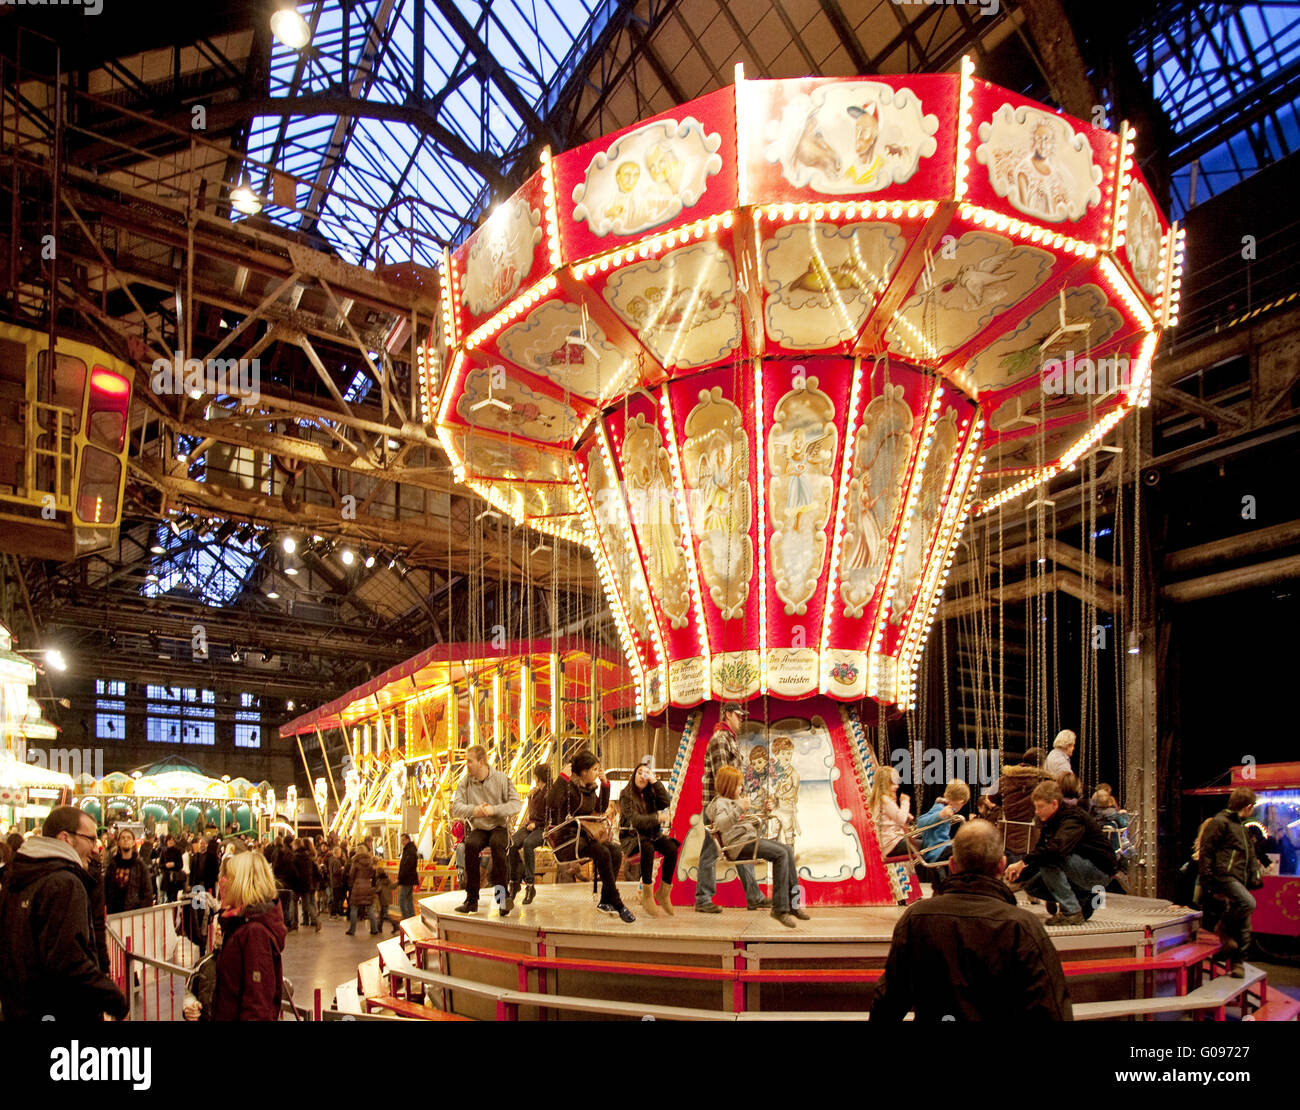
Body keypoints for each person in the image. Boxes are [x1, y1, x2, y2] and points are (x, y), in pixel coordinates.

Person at [870, 820, 1072, 1021]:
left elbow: (889, 1002)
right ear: (1002, 865)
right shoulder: (1023, 927)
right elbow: (1052, 1009)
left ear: (952, 865)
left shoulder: (916, 920)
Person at [0, 806, 130, 1021]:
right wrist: (116, 1000)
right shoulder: (64, 883)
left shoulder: (15, 878)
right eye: (90, 838)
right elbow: (69, 960)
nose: (96, 847)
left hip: (19, 1008)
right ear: (66, 838)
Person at [706, 766, 807, 928]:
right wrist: (740, 807)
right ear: (729, 785)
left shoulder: (731, 802)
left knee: (787, 849)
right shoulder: (721, 803)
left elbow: (744, 821)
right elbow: (722, 824)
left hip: (747, 840)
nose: (742, 788)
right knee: (781, 854)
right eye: (739, 785)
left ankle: (794, 904)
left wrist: (765, 812)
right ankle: (780, 909)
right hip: (739, 845)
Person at [1005, 780, 1116, 926]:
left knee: (1048, 860)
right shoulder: (1051, 820)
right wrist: (1020, 877)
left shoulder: (1073, 818)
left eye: (1040, 807)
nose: (1037, 811)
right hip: (1080, 867)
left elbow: (1055, 850)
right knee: (1032, 885)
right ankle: (1081, 897)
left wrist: (1022, 862)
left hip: (1099, 870)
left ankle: (1072, 911)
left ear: (1054, 804)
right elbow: (1040, 850)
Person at [696, 702, 767, 913]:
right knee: (711, 851)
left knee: (741, 845)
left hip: (726, 805)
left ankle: (754, 896)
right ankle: (702, 898)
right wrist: (735, 806)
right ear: (727, 714)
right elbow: (723, 778)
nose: (741, 719)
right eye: (738, 715)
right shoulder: (720, 740)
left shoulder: (729, 739)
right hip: (718, 807)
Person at [550, 751, 635, 923]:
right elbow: (551, 802)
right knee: (602, 852)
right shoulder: (569, 789)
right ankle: (617, 902)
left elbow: (601, 808)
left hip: (586, 837)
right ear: (583, 772)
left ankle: (605, 900)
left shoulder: (589, 790)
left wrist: (605, 784)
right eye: (595, 769)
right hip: (569, 840)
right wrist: (561, 778)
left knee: (615, 851)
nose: (598, 772)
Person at [203, 851, 286, 1020]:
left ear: (243, 882)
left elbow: (257, 1003)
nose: (224, 883)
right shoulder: (241, 925)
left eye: (230, 877)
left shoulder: (254, 933)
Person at [451, 744, 522, 916]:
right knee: (470, 846)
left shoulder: (501, 779)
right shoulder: (465, 783)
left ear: (481, 762)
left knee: (498, 847)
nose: (466, 765)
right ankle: (472, 899)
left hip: (498, 825)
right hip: (479, 827)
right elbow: (456, 807)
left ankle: (502, 899)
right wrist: (474, 810)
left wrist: (494, 810)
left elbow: (516, 804)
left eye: (469, 761)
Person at [1198, 787, 1261, 978]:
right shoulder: (1220, 822)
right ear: (1248, 807)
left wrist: (1253, 877)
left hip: (1236, 878)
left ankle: (1237, 963)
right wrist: (1208, 882)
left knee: (1245, 926)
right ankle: (1223, 927)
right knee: (1248, 903)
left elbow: (1248, 857)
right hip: (1224, 876)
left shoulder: (1240, 827)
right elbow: (1206, 853)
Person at [619, 759, 678, 917]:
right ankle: (646, 894)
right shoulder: (626, 795)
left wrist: (655, 781)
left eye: (646, 774)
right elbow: (635, 820)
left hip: (652, 834)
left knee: (672, 849)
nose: (642, 777)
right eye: (639, 773)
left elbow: (665, 802)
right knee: (647, 848)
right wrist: (656, 818)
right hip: (633, 836)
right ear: (634, 774)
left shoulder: (651, 793)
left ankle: (664, 893)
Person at [508, 766, 552, 907]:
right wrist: (529, 799)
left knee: (528, 844)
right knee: (511, 844)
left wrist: (537, 823)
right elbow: (534, 811)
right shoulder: (537, 792)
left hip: (541, 828)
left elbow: (549, 815)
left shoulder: (549, 793)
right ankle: (515, 881)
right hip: (531, 825)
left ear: (538, 777)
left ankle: (530, 884)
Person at [999, 749, 1051, 860]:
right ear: (1041, 764)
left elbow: (992, 797)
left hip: (1007, 833)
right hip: (1031, 835)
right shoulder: (1042, 781)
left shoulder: (1006, 777)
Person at [915, 780, 970, 864]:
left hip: (941, 848)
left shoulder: (944, 807)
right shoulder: (940, 808)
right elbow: (920, 822)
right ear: (960, 802)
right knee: (966, 854)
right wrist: (940, 815)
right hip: (936, 851)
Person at [104, 828, 154, 914]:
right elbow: (105, 889)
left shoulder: (140, 866)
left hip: (133, 914)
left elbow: (148, 894)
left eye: (128, 838)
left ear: (133, 842)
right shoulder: (112, 865)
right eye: (122, 838)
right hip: (114, 913)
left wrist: (139, 909)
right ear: (118, 842)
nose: (125, 840)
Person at [869, 765, 910, 857]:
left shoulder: (881, 800)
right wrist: (905, 802)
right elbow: (901, 819)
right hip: (892, 844)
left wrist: (905, 814)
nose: (897, 786)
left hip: (891, 842)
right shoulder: (885, 800)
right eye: (893, 783)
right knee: (929, 845)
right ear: (886, 784)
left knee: (927, 843)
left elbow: (896, 821)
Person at [346, 844, 380, 935]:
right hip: (367, 885)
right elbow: (373, 875)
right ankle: (374, 928)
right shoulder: (370, 862)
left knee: (354, 908)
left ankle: (352, 930)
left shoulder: (355, 862)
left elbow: (351, 874)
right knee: (370, 908)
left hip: (357, 886)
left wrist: (351, 884)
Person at [292, 839, 320, 933]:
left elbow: (294, 872)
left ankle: (294, 923)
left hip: (297, 884)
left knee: (294, 903)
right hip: (307, 883)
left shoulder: (295, 857)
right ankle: (316, 921)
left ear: (296, 846)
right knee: (307, 904)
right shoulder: (307, 856)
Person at [397, 833, 419, 922]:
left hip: (407, 879)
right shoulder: (411, 850)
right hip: (410, 878)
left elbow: (406, 866)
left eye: (403, 840)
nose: (402, 842)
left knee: (402, 899)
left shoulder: (409, 851)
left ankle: (406, 918)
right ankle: (412, 917)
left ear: (407, 840)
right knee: (409, 899)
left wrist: (400, 877)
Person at [374, 858, 398, 934]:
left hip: (382, 899)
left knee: (385, 915)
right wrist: (397, 882)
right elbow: (392, 886)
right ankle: (379, 927)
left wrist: (372, 890)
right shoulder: (387, 880)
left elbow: (378, 890)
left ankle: (395, 924)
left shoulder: (379, 881)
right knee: (382, 914)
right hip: (388, 899)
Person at [160, 834, 185, 902]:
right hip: (166, 877)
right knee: (168, 897)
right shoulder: (164, 851)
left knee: (174, 897)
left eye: (172, 840)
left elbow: (181, 864)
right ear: (166, 841)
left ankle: (175, 911)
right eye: (169, 840)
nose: (170, 842)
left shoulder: (178, 851)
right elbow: (160, 865)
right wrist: (166, 865)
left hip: (175, 878)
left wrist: (174, 864)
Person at [328, 846, 348, 917]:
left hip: (333, 881)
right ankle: (335, 911)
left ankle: (336, 911)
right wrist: (342, 869)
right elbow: (336, 871)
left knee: (336, 897)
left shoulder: (331, 860)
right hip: (337, 882)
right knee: (337, 898)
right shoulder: (336, 861)